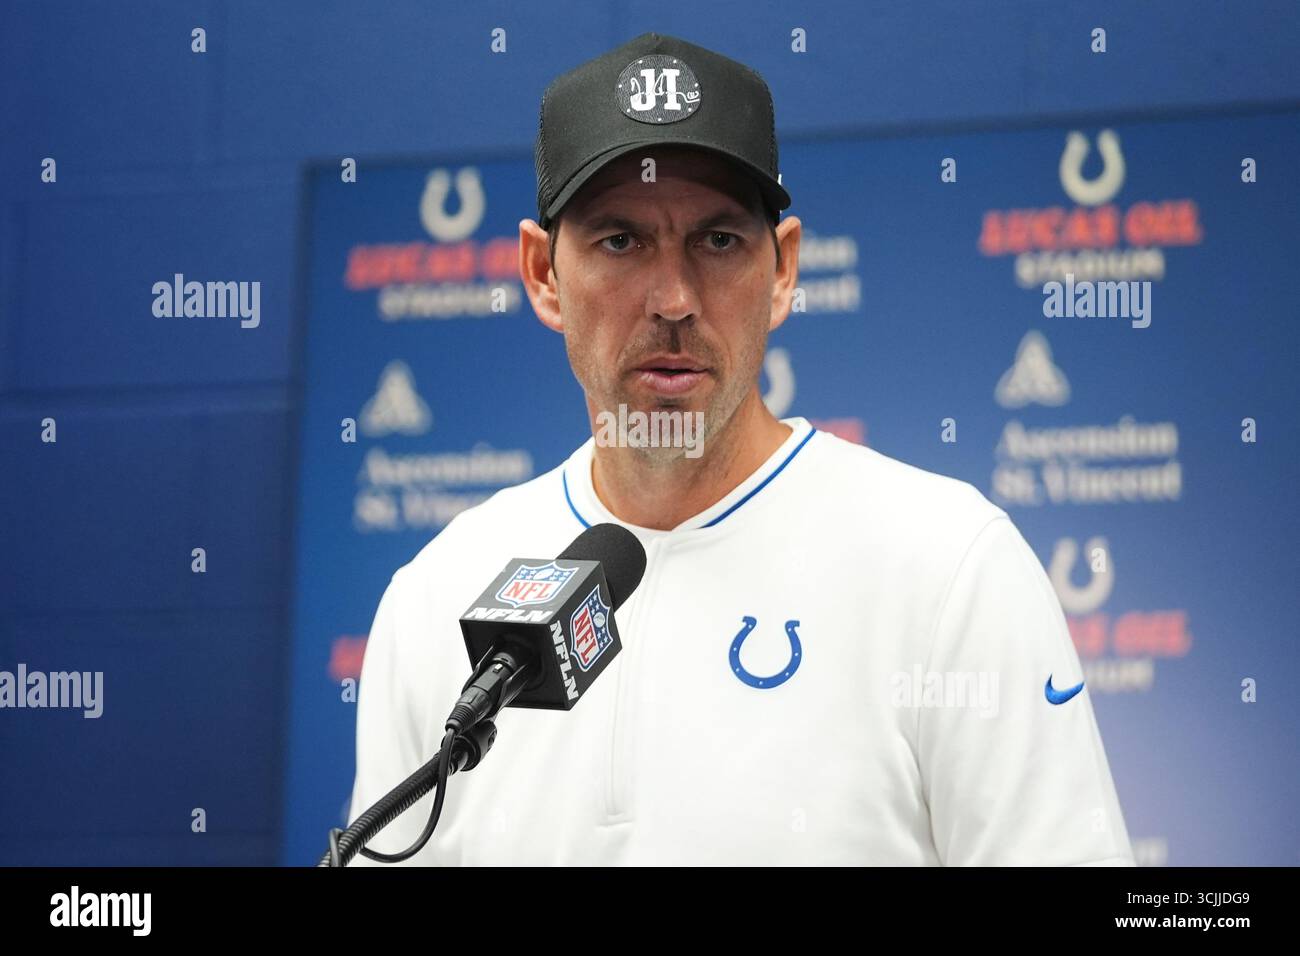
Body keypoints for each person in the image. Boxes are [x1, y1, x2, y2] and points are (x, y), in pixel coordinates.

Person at [346, 32, 1135, 865]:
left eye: (719, 241)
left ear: (786, 269)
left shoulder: (948, 567)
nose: (675, 299)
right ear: (543, 273)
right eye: (621, 242)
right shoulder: (438, 596)